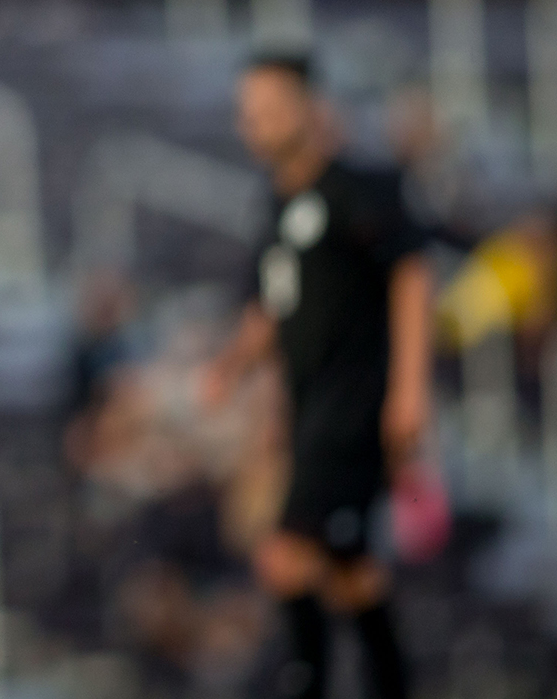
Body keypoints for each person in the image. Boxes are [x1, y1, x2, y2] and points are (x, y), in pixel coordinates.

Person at [202, 53, 431, 699]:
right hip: (310, 412)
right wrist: (231, 368)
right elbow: (271, 309)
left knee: (283, 556)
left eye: (271, 108)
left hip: (354, 406)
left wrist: (410, 393)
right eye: (250, 113)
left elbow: (412, 275)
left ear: (310, 109)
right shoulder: (278, 204)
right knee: (350, 573)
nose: (258, 124)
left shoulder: (358, 188)